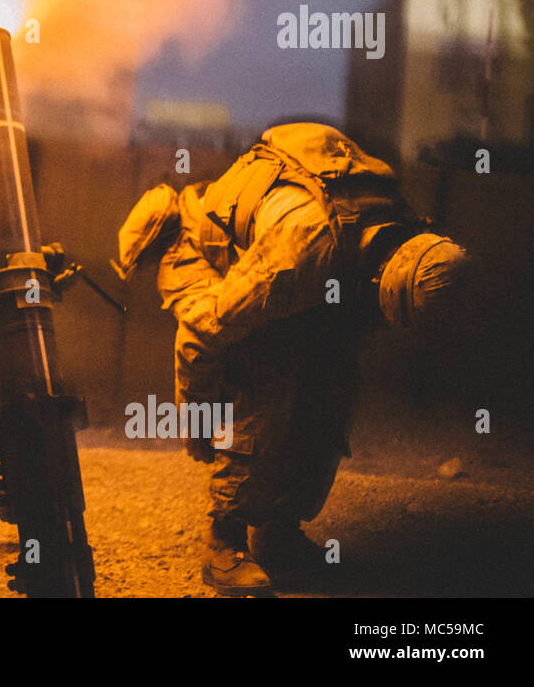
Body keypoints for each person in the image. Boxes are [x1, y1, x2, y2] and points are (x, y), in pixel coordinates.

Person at [115, 123, 469, 596]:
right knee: (265, 382)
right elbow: (200, 336)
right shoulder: (298, 254)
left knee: (329, 390)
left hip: (306, 280)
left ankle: (278, 534)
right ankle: (223, 542)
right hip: (221, 269)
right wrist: (197, 417)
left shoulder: (398, 223)